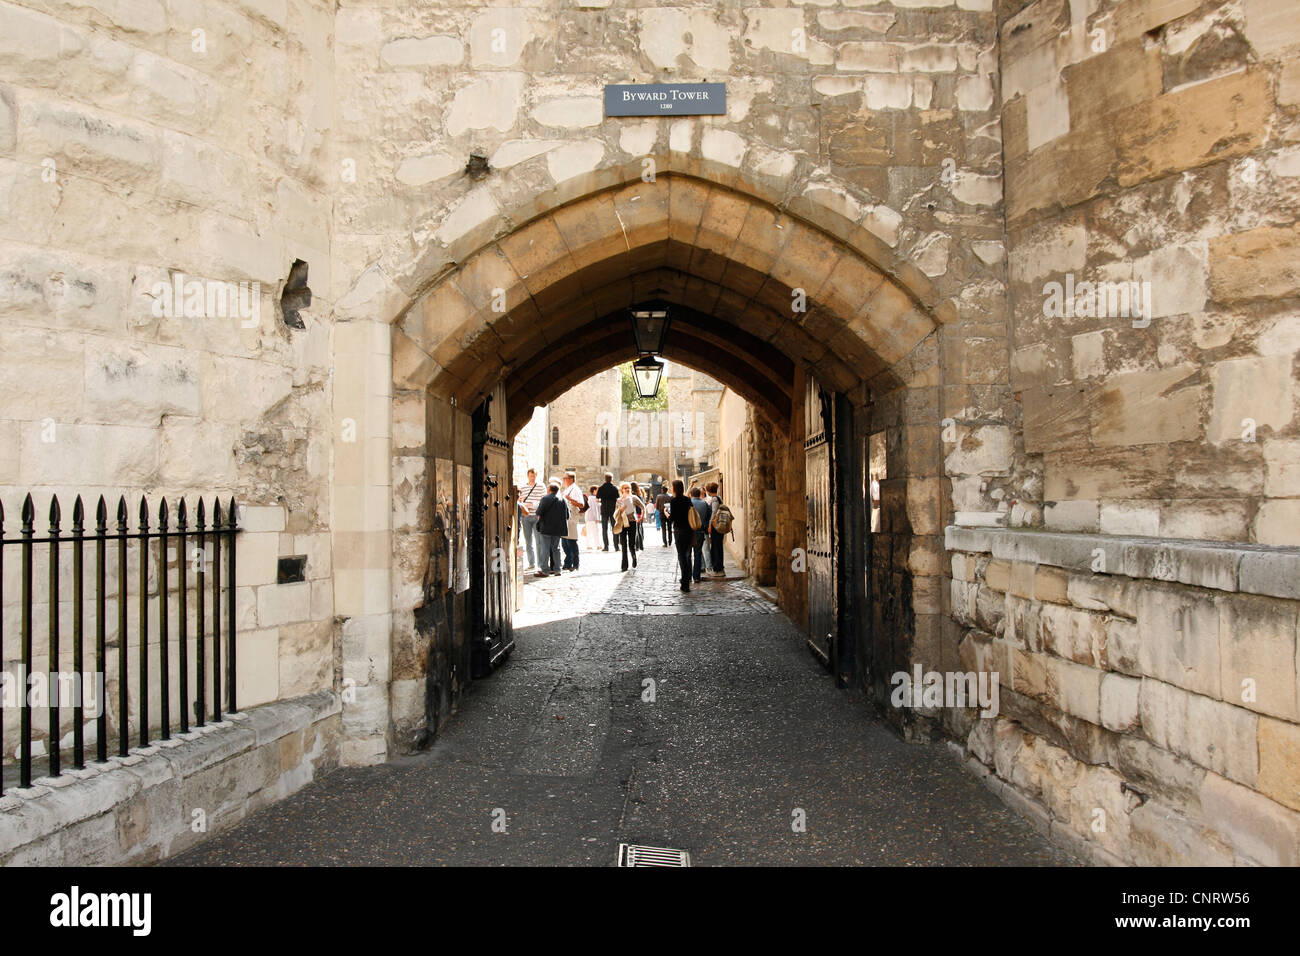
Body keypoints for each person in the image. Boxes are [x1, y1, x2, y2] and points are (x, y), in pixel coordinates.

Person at [533, 480, 567, 576]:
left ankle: (544, 570)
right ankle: (558, 569)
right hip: (558, 529)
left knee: (545, 548)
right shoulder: (563, 500)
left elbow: (538, 512)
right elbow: (567, 515)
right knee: (556, 548)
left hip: (546, 527)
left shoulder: (545, 499)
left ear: (549, 489)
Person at [669, 479, 695, 592]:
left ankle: (685, 582)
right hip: (689, 530)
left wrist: (667, 514)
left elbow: (672, 518)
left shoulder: (674, 501)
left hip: (679, 530)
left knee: (681, 556)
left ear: (674, 489)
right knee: (687, 554)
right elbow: (692, 512)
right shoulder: (687, 499)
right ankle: (687, 578)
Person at [516, 468, 545, 571]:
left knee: (539, 541)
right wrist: (525, 504)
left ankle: (540, 563)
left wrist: (532, 504)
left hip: (537, 517)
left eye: (534, 475)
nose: (532, 477)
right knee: (528, 541)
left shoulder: (541, 487)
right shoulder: (523, 487)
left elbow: (543, 500)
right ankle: (531, 563)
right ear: (528, 476)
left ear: (536, 476)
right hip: (526, 517)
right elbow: (520, 500)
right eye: (531, 475)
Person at [614, 481, 643, 572]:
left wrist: (642, 516)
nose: (627, 489)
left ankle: (634, 557)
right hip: (622, 523)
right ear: (621, 490)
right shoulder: (618, 500)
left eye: (628, 488)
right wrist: (620, 510)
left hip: (632, 522)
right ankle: (624, 566)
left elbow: (642, 507)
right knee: (623, 545)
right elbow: (616, 513)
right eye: (625, 488)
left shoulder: (633, 498)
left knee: (631, 544)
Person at [560, 471, 584, 571]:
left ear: (570, 479)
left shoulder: (575, 490)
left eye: (565, 478)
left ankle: (575, 563)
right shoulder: (567, 489)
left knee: (571, 542)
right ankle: (568, 563)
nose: (563, 480)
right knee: (564, 543)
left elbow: (581, 504)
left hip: (571, 519)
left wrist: (570, 499)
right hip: (565, 519)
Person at [688, 486, 711, 584]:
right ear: (699, 494)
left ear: (691, 495)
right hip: (700, 531)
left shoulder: (688, 503)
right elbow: (708, 517)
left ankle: (688, 576)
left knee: (688, 554)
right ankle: (696, 576)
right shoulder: (704, 503)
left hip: (689, 532)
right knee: (698, 554)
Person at [705, 481, 726, 578]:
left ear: (709, 491)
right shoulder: (719, 498)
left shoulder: (714, 499)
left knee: (716, 547)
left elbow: (714, 513)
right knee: (718, 546)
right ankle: (719, 567)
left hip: (715, 526)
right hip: (718, 526)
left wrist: (709, 524)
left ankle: (718, 569)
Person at [596, 472, 619, 551]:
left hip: (604, 510)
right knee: (615, 528)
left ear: (605, 479)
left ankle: (606, 546)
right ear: (611, 479)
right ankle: (616, 546)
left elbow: (597, 498)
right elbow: (617, 498)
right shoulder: (615, 488)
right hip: (613, 510)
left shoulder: (601, 488)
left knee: (604, 529)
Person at [583, 484, 601, 549]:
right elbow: (594, 509)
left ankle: (588, 545)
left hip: (588, 517)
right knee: (595, 532)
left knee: (589, 532)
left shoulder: (589, 498)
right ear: (594, 491)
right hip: (593, 518)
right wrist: (596, 518)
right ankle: (597, 545)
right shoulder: (594, 498)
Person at [630, 482, 646, 551]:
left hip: (635, 514)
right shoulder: (640, 495)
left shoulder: (632, 496)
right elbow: (642, 506)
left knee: (636, 531)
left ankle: (637, 545)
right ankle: (641, 545)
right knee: (640, 529)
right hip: (640, 514)